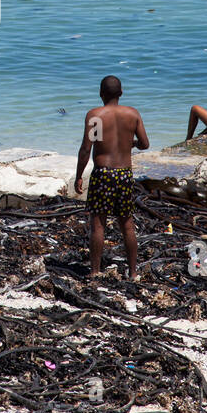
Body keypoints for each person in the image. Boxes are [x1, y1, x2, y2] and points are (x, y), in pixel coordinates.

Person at [74, 75, 149, 279]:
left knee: (97, 223)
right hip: (124, 173)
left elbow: (86, 148)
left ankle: (95, 271)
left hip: (103, 173)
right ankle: (133, 272)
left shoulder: (96, 116)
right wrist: (130, 143)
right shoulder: (132, 114)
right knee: (127, 224)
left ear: (100, 93)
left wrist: (79, 175)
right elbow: (144, 144)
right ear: (121, 93)